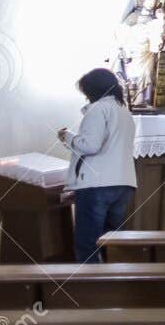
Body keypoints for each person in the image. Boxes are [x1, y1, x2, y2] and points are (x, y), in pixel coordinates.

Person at [58, 68, 138, 263]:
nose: (86, 97)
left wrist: (67, 136)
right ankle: (115, 287)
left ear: (93, 90)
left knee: (88, 243)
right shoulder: (123, 111)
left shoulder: (98, 109)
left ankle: (90, 290)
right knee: (113, 243)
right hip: (122, 183)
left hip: (97, 184)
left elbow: (91, 145)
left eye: (86, 92)